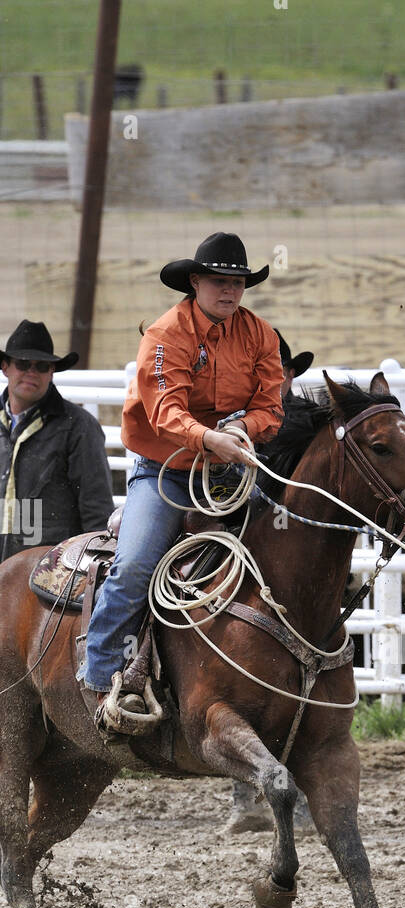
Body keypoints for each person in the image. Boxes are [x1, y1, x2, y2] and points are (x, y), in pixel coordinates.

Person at [76, 231, 283, 730]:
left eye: (237, 282)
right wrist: (211, 438)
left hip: (229, 469)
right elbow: (165, 412)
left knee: (282, 556)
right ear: (195, 283)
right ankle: (98, 678)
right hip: (166, 471)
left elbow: (271, 408)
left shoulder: (260, 335)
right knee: (134, 564)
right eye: (219, 281)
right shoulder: (167, 335)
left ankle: (271, 681)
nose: (230, 291)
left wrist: (242, 427)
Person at [225, 329, 315, 834]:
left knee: (298, 678)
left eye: (279, 371)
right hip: (248, 554)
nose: (275, 379)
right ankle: (252, 794)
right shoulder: (242, 422)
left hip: (289, 564)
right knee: (244, 677)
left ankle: (282, 794)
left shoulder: (300, 425)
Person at [0, 320, 114, 565]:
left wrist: (93, 564)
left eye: (41, 366)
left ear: (51, 373)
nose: (32, 372)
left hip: (49, 570)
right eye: (23, 364)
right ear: (5, 367)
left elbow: (96, 507)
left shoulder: (78, 426)